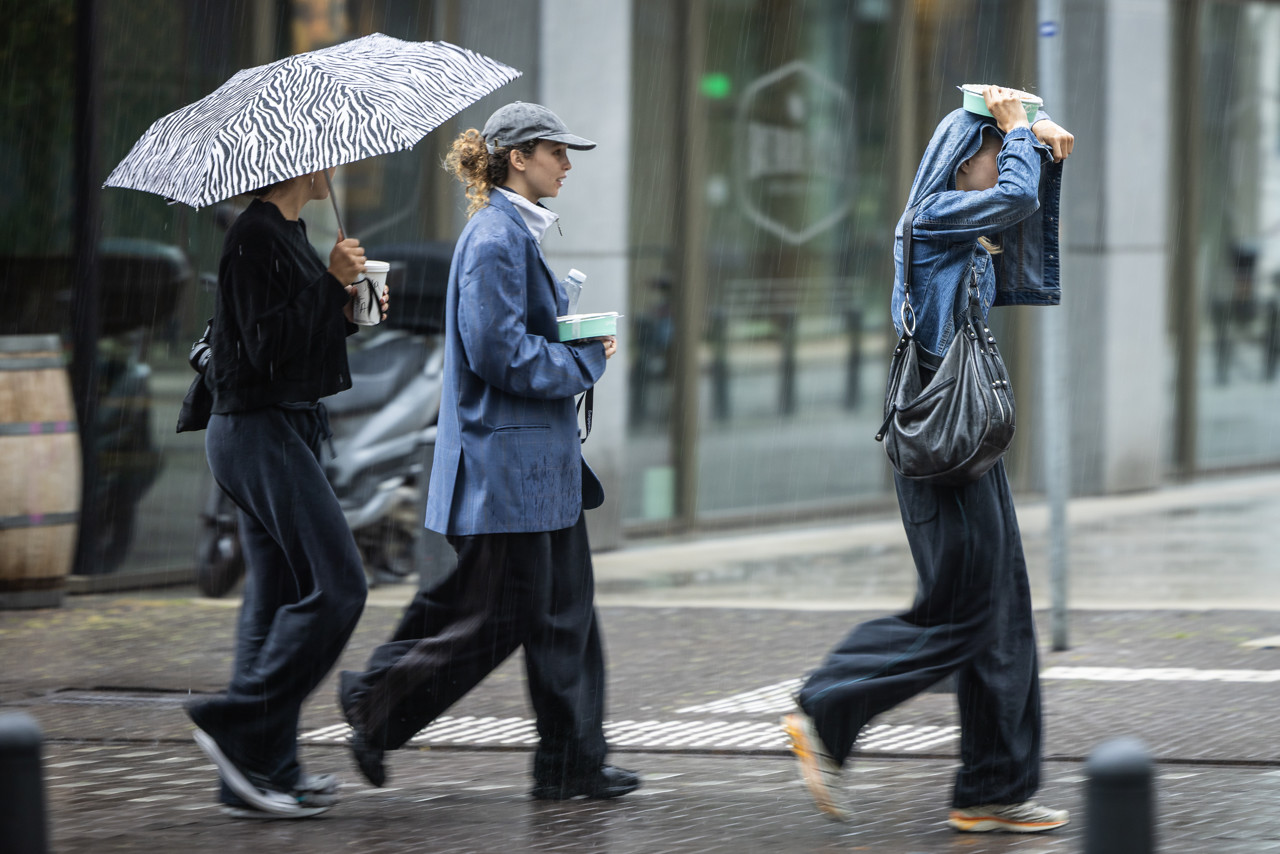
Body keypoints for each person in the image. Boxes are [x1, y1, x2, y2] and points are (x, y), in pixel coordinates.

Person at [782, 86, 1075, 833]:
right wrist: (1020, 137)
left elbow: (1026, 261)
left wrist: (1040, 146)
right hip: (941, 446)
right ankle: (827, 705)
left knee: (1000, 612)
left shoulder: (961, 227)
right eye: (994, 151)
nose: (1001, 163)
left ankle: (992, 786)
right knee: (962, 612)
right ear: (965, 158)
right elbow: (1012, 203)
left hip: (969, 439)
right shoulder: (935, 217)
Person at [338, 102, 639, 801]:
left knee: (561, 612)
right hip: (508, 471)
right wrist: (584, 360)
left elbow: (509, 340)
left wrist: (568, 337)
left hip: (536, 471)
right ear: (518, 158)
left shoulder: (513, 233)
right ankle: (375, 708)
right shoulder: (496, 239)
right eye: (557, 152)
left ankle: (572, 761)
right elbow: (498, 353)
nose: (567, 165)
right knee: (494, 617)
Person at [187, 167, 386, 819]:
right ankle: (238, 723)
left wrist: (350, 297)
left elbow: (299, 340)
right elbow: (267, 347)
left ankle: (257, 772)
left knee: (273, 602)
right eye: (323, 158)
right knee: (339, 586)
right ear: (295, 166)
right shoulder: (254, 235)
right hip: (256, 431)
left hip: (278, 430)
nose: (332, 169)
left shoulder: (289, 233)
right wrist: (329, 282)